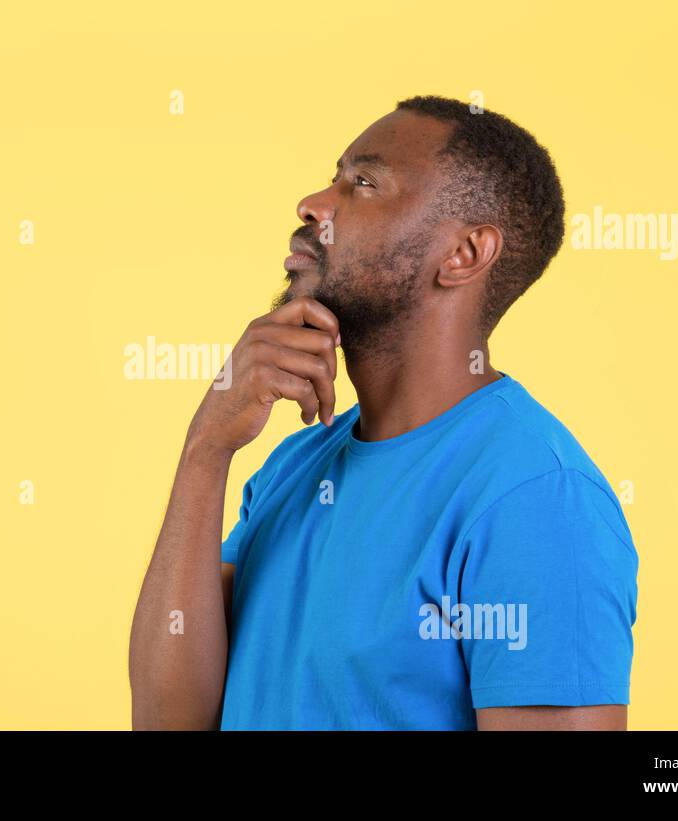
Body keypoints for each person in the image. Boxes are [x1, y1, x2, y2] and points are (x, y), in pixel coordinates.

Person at [128, 95, 638, 730]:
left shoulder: (534, 497)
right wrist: (205, 449)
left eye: (363, 183)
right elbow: (167, 721)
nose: (312, 204)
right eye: (335, 176)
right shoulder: (294, 465)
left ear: (465, 254)